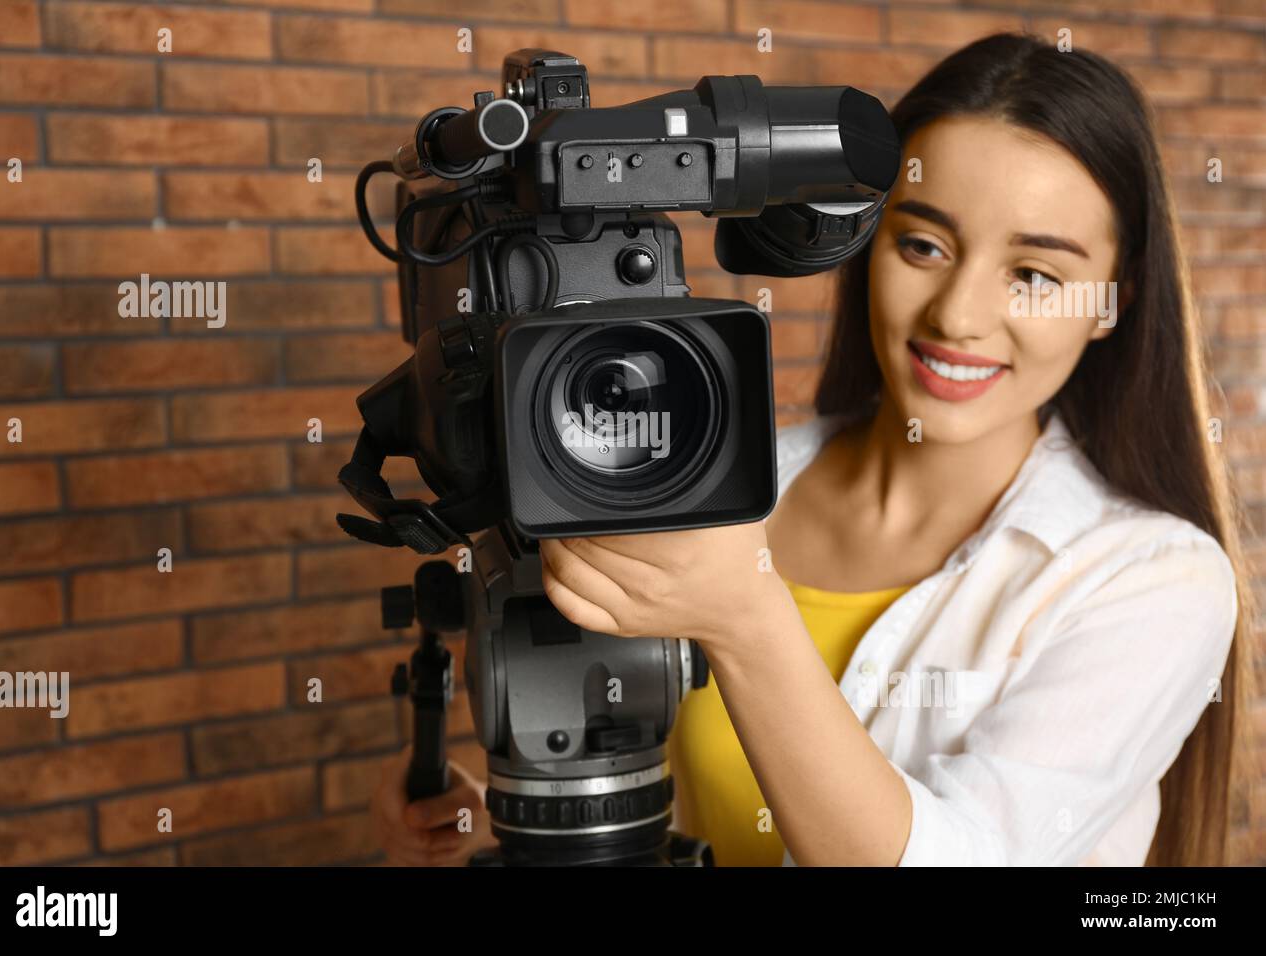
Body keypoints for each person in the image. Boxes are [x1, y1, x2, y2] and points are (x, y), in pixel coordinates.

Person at [373, 32, 1253, 867]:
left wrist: (747, 620)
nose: (958, 315)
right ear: (863, 246)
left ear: (1113, 300)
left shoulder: (1154, 580)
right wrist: (511, 811)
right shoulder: (714, 474)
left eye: (1034, 274)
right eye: (921, 243)